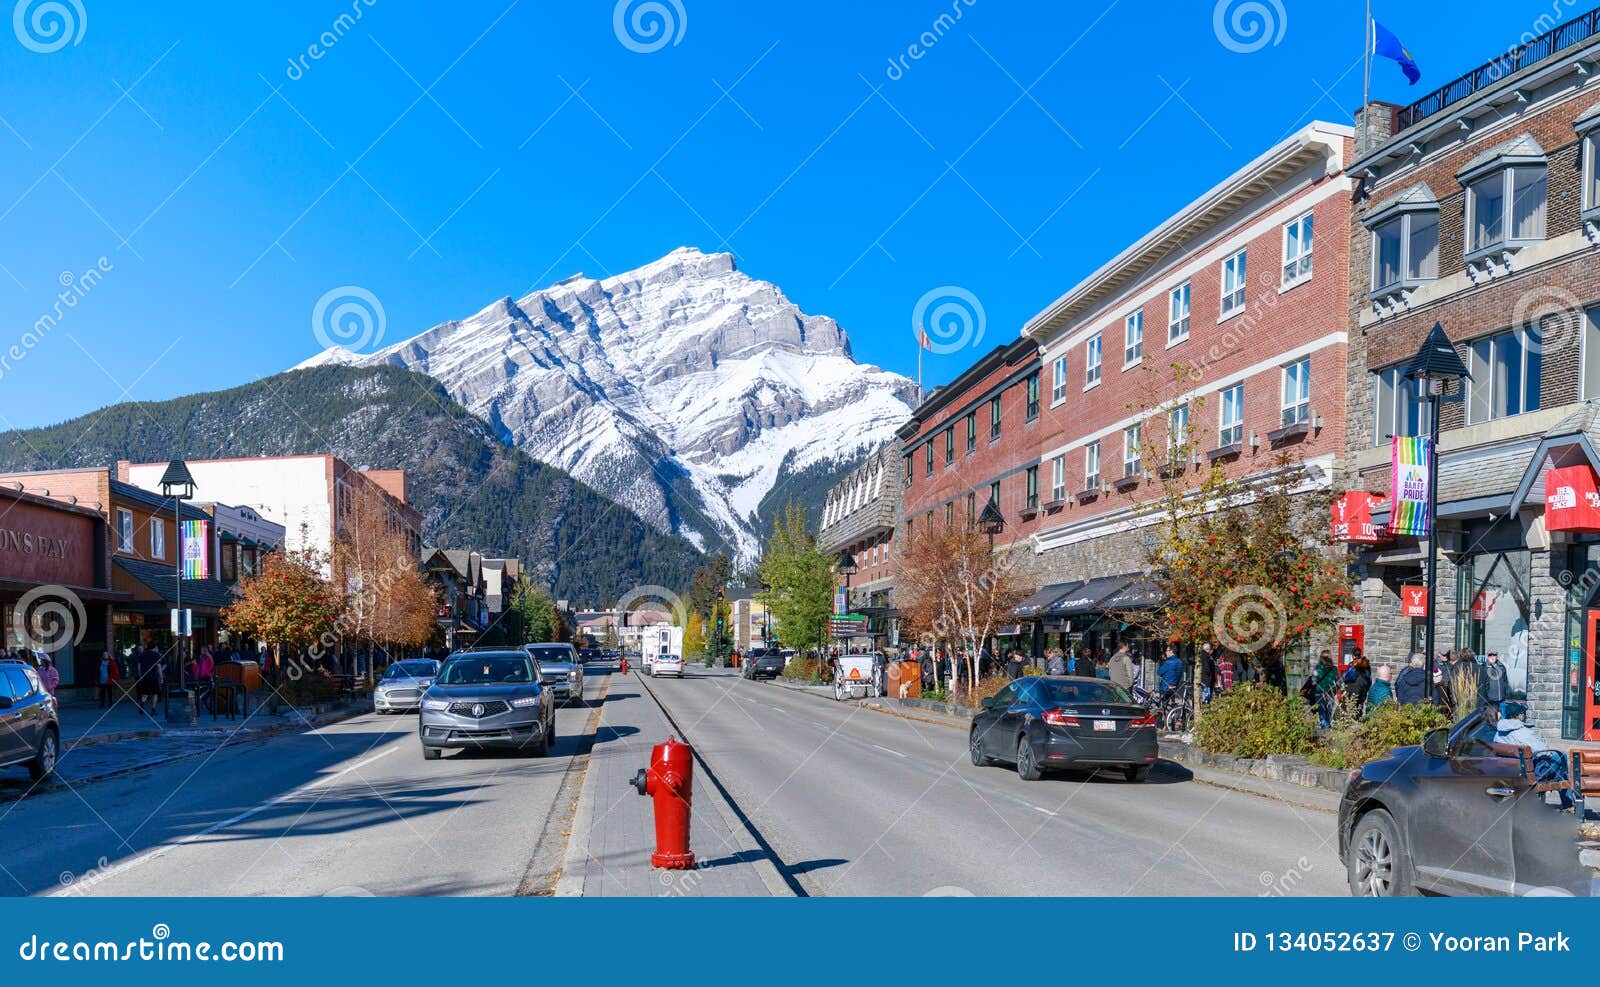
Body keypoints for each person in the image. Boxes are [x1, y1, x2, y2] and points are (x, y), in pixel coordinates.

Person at [1493, 702, 1573, 809]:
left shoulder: (1498, 733)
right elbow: (1544, 751)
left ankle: (1567, 804)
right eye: (1523, 714)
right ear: (1519, 715)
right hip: (1528, 775)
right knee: (1560, 758)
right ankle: (1569, 804)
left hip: (1509, 773)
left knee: (1557, 765)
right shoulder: (1523, 732)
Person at [135, 645, 164, 715]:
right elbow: (159, 667)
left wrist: (140, 675)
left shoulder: (143, 654)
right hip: (153, 677)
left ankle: (142, 705)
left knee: (145, 693)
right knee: (155, 693)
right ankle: (153, 709)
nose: (157, 649)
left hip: (145, 677)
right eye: (157, 648)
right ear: (154, 648)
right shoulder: (156, 655)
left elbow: (139, 665)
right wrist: (161, 677)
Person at [1313, 652, 1338, 728]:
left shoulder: (1317, 668)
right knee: (1329, 713)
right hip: (1330, 693)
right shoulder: (1334, 669)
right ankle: (1328, 731)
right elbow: (1337, 681)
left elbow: (1313, 681)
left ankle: (1325, 731)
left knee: (1322, 713)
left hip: (1319, 693)